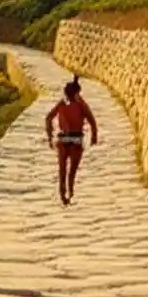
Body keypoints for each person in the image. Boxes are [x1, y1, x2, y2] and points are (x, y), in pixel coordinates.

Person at [45, 75, 98, 206]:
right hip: (76, 138)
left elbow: (49, 117)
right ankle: (70, 192)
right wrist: (94, 135)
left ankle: (63, 193)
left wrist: (49, 134)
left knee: (62, 169)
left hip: (63, 138)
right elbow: (91, 120)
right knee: (72, 171)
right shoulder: (81, 104)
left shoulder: (62, 103)